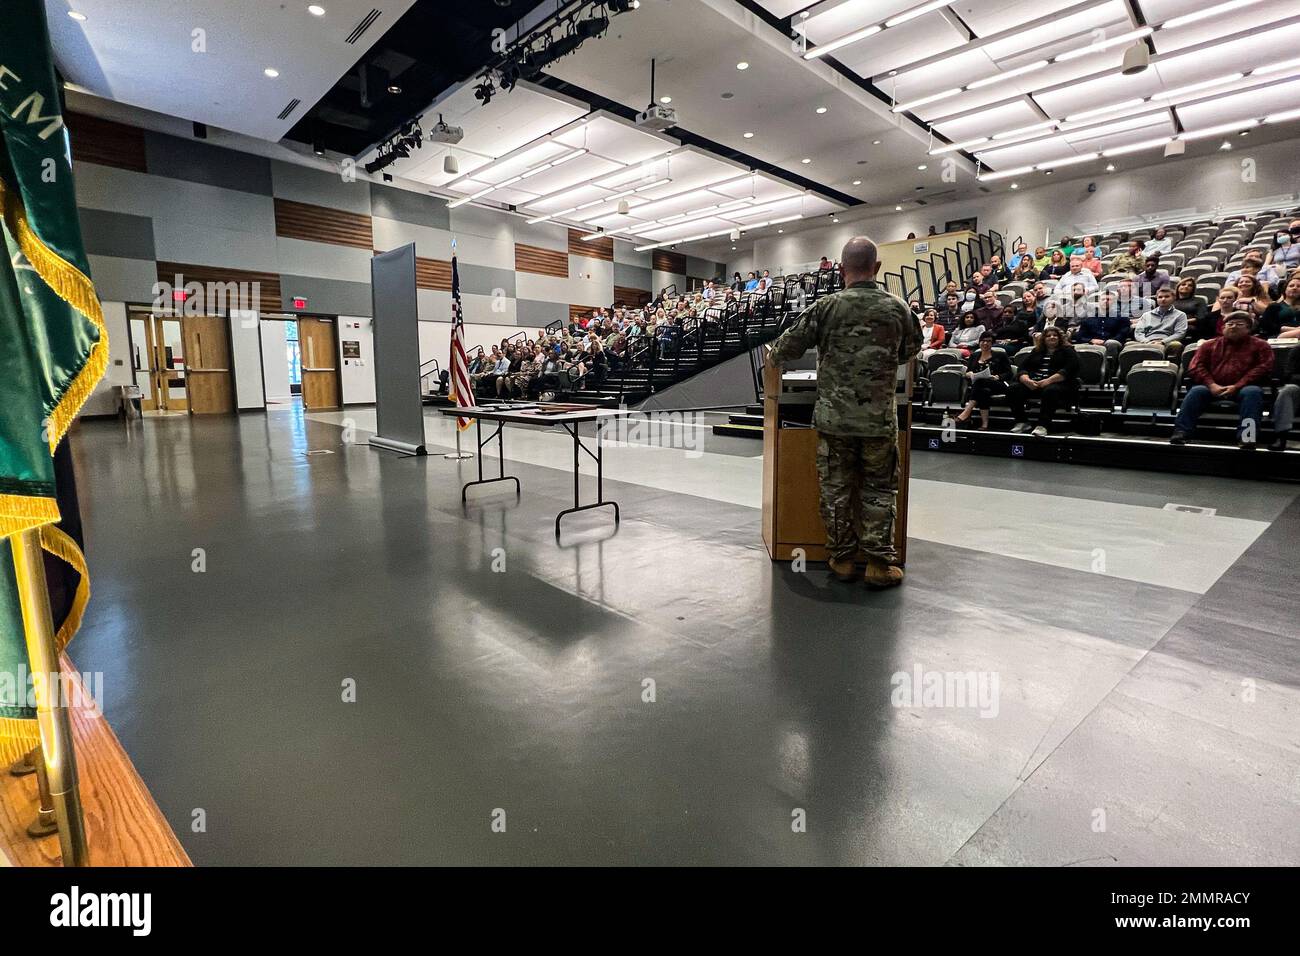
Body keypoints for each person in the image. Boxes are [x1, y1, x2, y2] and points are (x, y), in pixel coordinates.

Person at [766, 235, 920, 588]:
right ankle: (879, 564)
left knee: (836, 490)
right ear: (876, 268)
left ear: (840, 269)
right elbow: (909, 351)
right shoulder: (898, 308)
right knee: (880, 490)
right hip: (879, 421)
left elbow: (786, 347)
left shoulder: (826, 307)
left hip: (835, 421)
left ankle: (842, 560)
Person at [1169, 312, 1274, 448]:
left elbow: (1264, 367)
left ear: (1249, 328)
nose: (1233, 327)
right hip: (1212, 386)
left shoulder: (1261, 345)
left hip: (1245, 387)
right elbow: (1195, 367)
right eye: (1229, 324)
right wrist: (1211, 384)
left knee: (1253, 393)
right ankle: (1181, 432)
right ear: (1223, 328)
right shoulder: (1209, 345)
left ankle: (1248, 436)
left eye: (1239, 324)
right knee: (1196, 391)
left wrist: (1237, 385)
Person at [1006, 326, 1079, 437]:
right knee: (1013, 389)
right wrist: (1026, 380)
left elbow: (1070, 369)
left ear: (1060, 338)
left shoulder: (1068, 350)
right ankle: (1022, 422)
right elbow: (1022, 368)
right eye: (1048, 336)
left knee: (1051, 391)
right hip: (1035, 383)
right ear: (1043, 339)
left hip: (1059, 384)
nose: (1052, 337)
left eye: (1055, 335)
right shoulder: (1037, 351)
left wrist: (1048, 381)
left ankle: (1043, 425)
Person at [953, 331, 1013, 430]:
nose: (985, 343)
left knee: (980, 382)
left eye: (988, 341)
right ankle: (984, 424)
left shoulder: (1000, 355)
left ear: (992, 343)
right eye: (983, 341)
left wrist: (997, 377)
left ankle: (967, 412)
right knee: (983, 391)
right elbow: (967, 372)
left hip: (998, 385)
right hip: (981, 386)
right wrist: (969, 374)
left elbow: (1009, 373)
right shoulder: (974, 356)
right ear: (979, 342)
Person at [1132, 286, 1188, 357]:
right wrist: (1147, 342)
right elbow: (1139, 332)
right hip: (1147, 341)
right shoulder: (1146, 315)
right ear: (1157, 299)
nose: (1163, 299)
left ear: (1174, 298)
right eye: (1160, 297)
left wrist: (1162, 342)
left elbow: (1180, 333)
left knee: (1176, 345)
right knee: (1128, 345)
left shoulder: (1180, 315)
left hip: (1168, 342)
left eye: (1167, 296)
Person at [1269, 344, 1300, 450]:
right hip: (1298, 388)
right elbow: (1289, 375)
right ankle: (1281, 437)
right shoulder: (1297, 350)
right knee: (1287, 390)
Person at [1260, 275, 1300, 339]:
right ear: (1285, 290)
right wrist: (1293, 329)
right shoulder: (1274, 306)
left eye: (1299, 286)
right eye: (1291, 286)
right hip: (1278, 337)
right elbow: (1267, 326)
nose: (1295, 288)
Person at [1173, 276, 1210, 341]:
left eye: (1190, 285)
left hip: (1191, 327)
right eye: (1183, 284)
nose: (1186, 286)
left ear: (1193, 289)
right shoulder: (1172, 301)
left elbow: (1201, 317)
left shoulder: (1200, 300)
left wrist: (1183, 322)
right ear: (1178, 286)